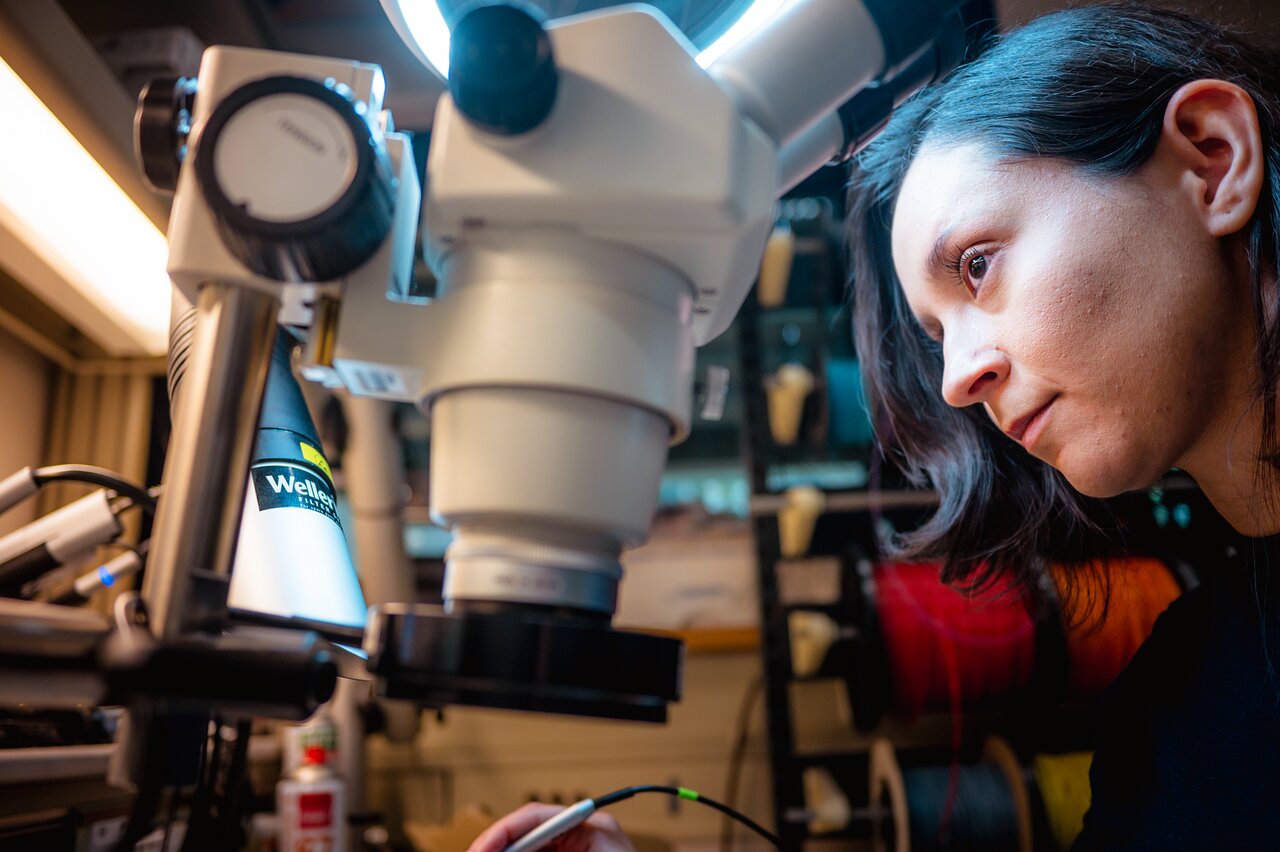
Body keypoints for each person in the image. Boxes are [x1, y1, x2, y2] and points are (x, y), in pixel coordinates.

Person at [470, 2, 1280, 849]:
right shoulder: (1174, 714)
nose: (960, 382)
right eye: (935, 338)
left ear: (1212, 159)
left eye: (977, 264)